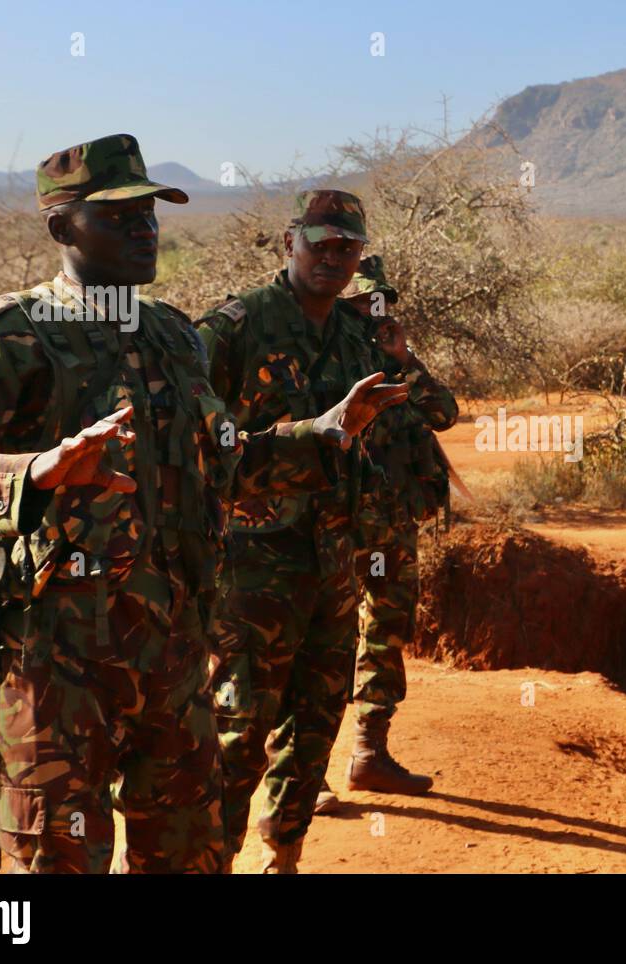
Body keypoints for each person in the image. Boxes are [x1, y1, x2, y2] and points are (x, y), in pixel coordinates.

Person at [0, 134, 405, 874]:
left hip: (174, 658)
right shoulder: (14, 332)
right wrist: (35, 471)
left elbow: (223, 465)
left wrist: (324, 433)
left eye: (150, 214)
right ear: (62, 226)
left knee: (193, 859)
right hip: (59, 669)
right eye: (118, 217)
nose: (144, 230)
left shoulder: (171, 335)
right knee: (61, 861)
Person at [197, 192, 415, 872]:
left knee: (316, 723)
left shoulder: (356, 338)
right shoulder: (235, 328)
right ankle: (207, 861)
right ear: (288, 242)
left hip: (333, 564)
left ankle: (282, 856)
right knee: (238, 734)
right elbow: (200, 443)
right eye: (319, 243)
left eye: (345, 247)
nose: (332, 256)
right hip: (251, 569)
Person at [315, 256, 458, 814]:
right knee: (323, 641)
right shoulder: (316, 361)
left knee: (385, 631)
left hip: (391, 525)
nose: (374, 312)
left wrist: (405, 359)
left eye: (380, 303)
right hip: (332, 525)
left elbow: (444, 413)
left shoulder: (393, 364)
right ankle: (309, 773)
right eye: (362, 303)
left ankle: (370, 752)